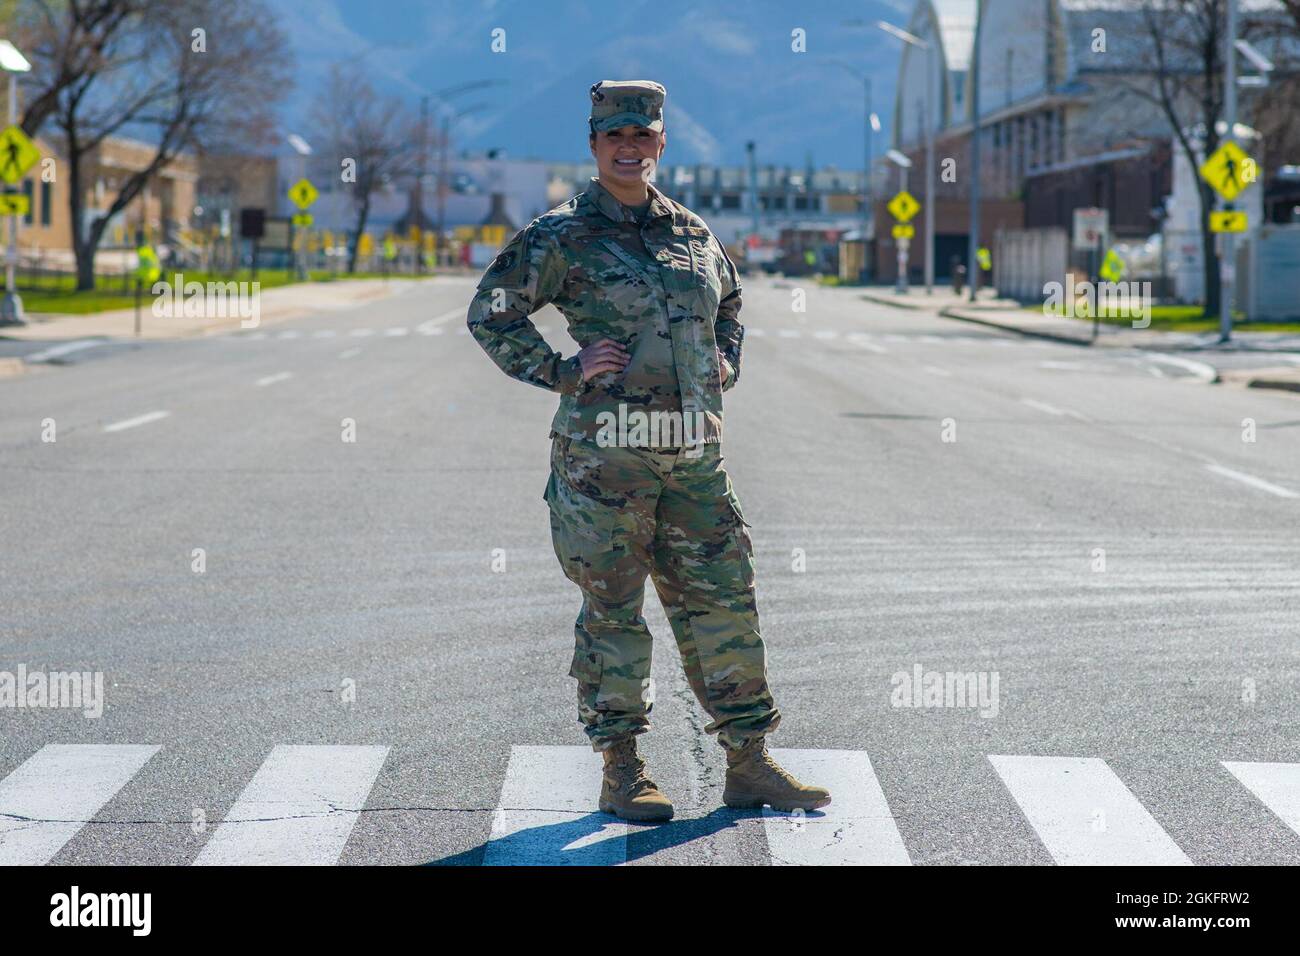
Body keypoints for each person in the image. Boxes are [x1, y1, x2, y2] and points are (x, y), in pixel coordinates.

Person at [467, 79, 829, 823]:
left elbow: (730, 306)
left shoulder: (691, 233)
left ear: (661, 142)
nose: (629, 147)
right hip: (607, 462)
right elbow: (492, 313)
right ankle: (622, 768)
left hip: (694, 460)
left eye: (642, 135)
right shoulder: (560, 234)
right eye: (615, 136)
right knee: (614, 611)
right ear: (594, 145)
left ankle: (749, 762)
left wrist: (725, 360)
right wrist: (563, 370)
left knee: (725, 603)